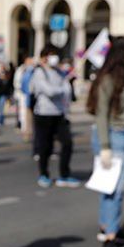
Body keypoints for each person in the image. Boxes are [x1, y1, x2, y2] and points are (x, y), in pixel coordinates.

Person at [88, 36, 124, 247]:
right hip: (115, 135)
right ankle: (110, 237)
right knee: (116, 188)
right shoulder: (108, 78)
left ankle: (107, 225)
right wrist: (105, 147)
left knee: (111, 185)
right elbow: (101, 114)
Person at [31, 46, 80, 188]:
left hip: (59, 114)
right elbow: (49, 91)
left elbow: (67, 91)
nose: (54, 58)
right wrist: (61, 89)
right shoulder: (39, 72)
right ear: (44, 57)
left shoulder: (59, 72)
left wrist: (67, 83)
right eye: (51, 55)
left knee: (67, 143)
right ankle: (44, 174)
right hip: (44, 114)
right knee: (45, 146)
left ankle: (65, 174)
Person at [13, 55, 36, 143]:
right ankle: (26, 132)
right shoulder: (23, 71)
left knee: (29, 116)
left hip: (30, 97)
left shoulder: (32, 70)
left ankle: (29, 132)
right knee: (24, 115)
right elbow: (20, 84)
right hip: (25, 96)